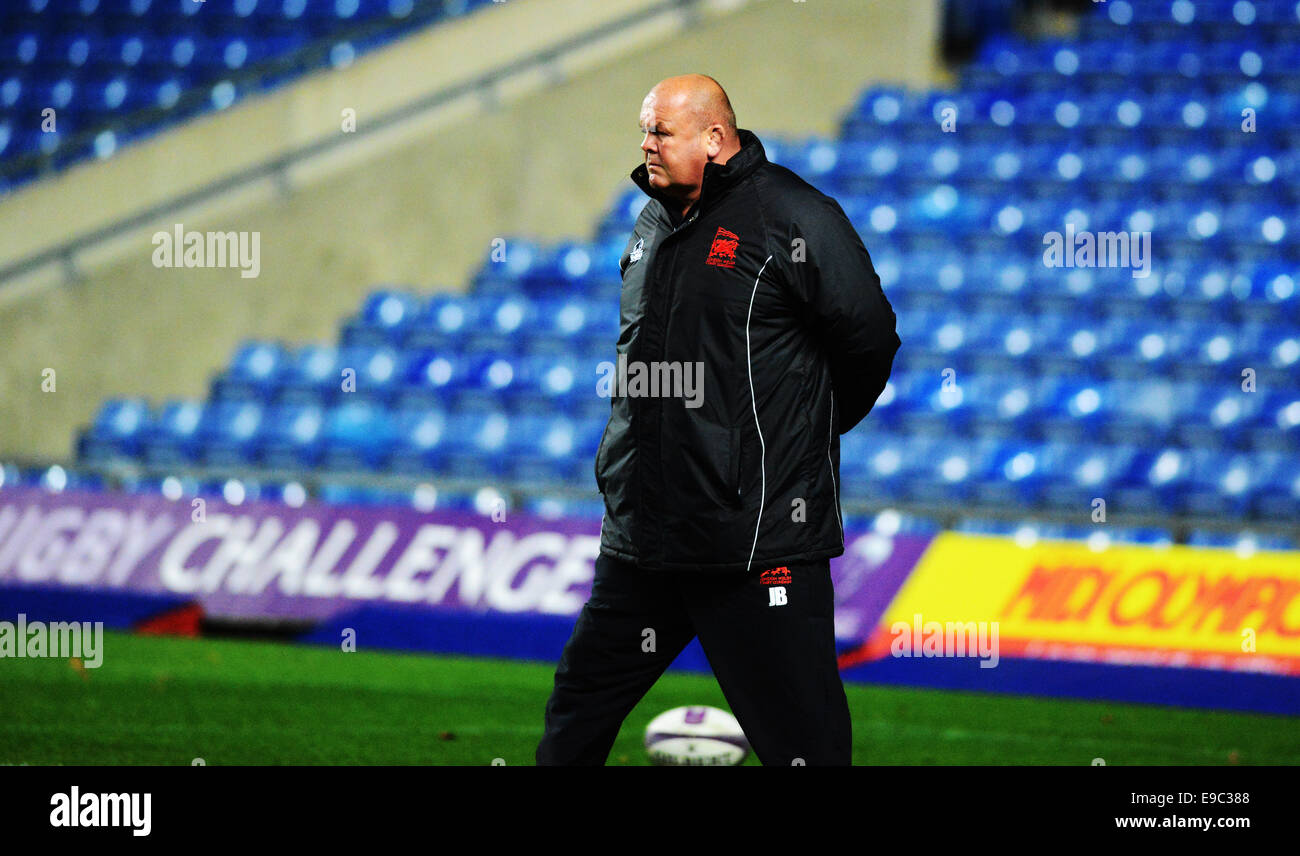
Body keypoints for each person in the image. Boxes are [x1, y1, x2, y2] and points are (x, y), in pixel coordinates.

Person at [535, 74, 900, 766]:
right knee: (578, 706)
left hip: (754, 542)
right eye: (644, 130)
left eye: (661, 132)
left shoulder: (793, 218)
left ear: (713, 137)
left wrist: (796, 440)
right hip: (647, 537)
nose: (646, 144)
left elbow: (870, 338)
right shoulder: (652, 222)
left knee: (805, 744)